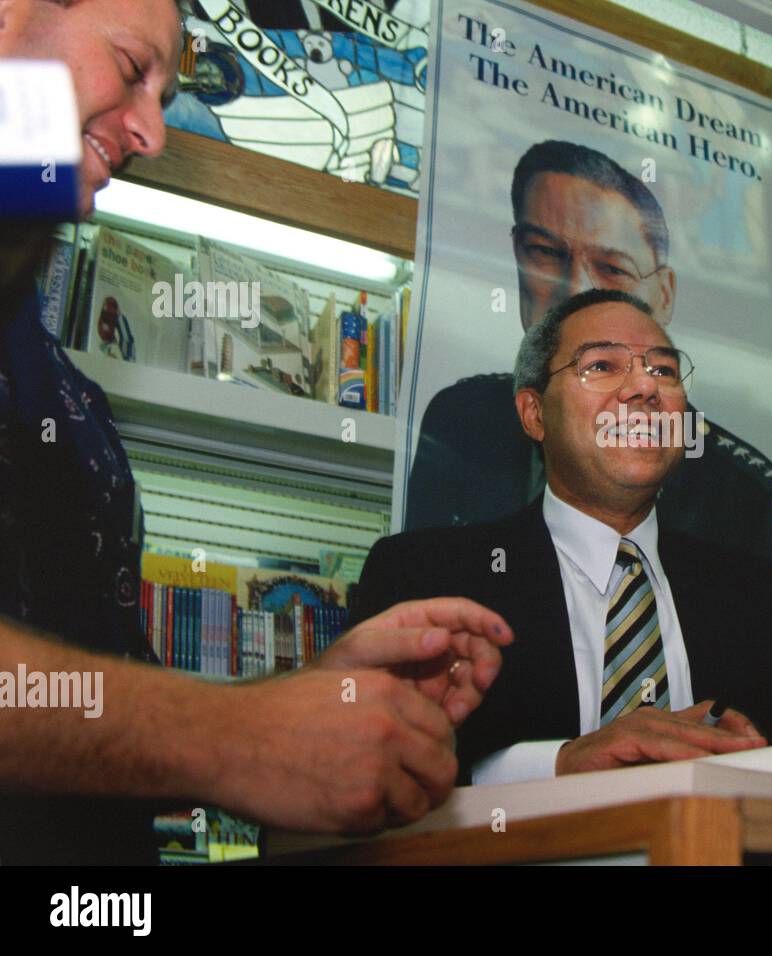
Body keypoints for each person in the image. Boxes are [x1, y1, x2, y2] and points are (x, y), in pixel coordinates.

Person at [0, 0, 511, 864]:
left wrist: (307, 701)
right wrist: (236, 736)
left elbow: (101, 721)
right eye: (132, 68)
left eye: (168, 92)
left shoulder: (64, 394)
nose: (154, 132)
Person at [354, 289, 772, 784]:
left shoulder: (761, 595)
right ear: (534, 414)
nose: (645, 388)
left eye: (664, 371)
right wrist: (560, 766)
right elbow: (365, 770)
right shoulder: (421, 578)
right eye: (603, 365)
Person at [403, 140, 772, 616]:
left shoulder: (747, 500)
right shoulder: (461, 422)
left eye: (612, 267)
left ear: (664, 293)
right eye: (544, 252)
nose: (575, 288)